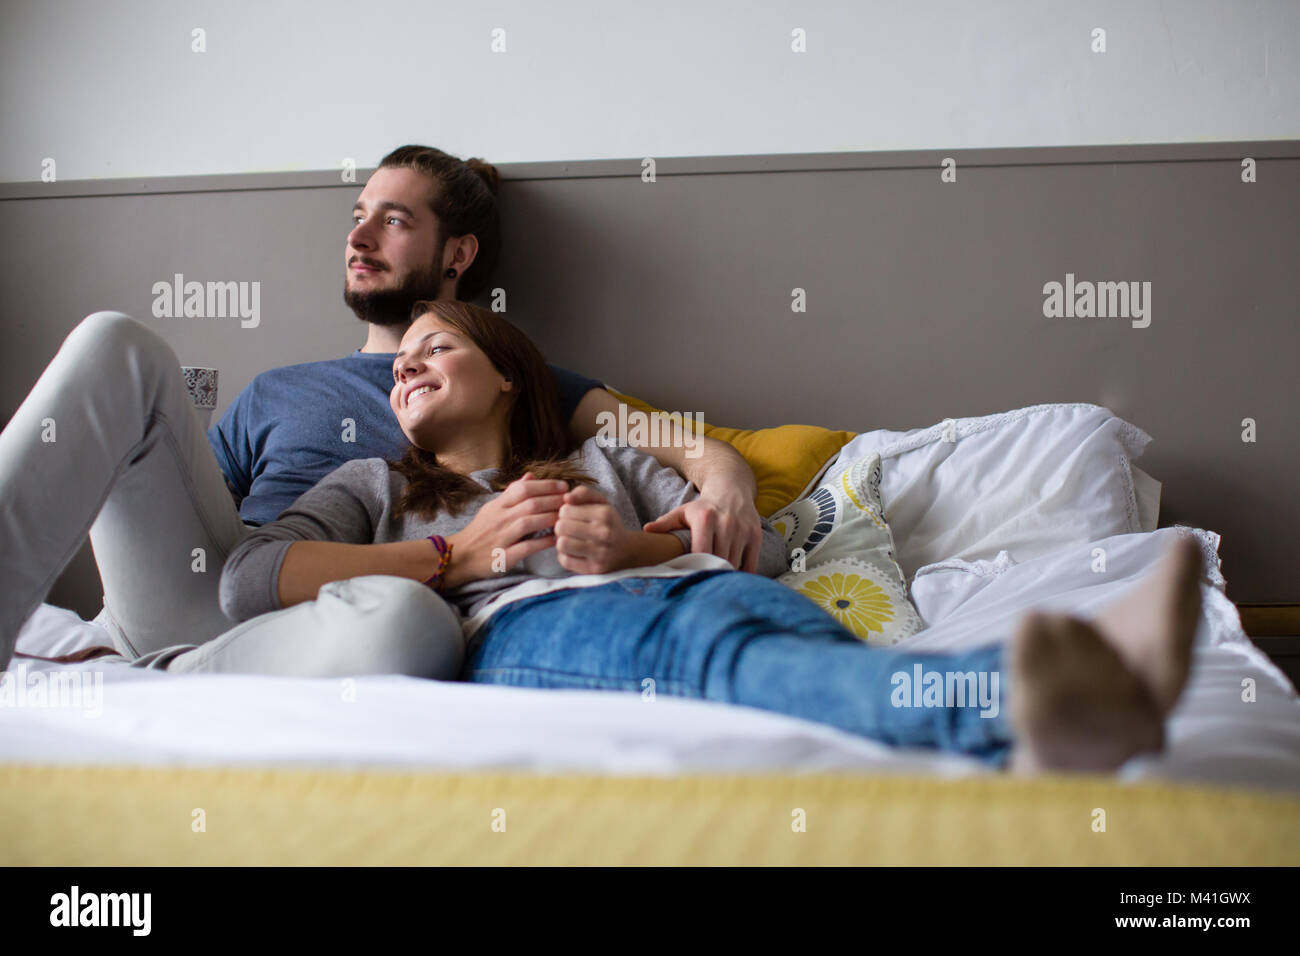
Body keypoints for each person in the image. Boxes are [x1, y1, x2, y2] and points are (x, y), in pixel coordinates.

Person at [140, 299, 1204, 775]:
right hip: (535, 626)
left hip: (700, 584)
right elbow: (252, 577)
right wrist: (459, 557)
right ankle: (1030, 699)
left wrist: (633, 545)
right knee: (719, 660)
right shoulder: (373, 480)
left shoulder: (606, 462)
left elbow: (760, 548)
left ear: (507, 373)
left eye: (434, 348)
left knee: (783, 649)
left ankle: (1021, 699)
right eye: (396, 364)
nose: (403, 368)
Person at [0, 145, 763, 670]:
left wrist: (727, 486)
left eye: (393, 221)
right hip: (215, 598)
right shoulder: (276, 391)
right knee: (117, 345)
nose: (359, 235)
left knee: (410, 622)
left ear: (457, 254)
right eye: (358, 215)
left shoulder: (521, 380)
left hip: (341, 638)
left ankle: (168, 681)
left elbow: (681, 446)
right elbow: (222, 556)